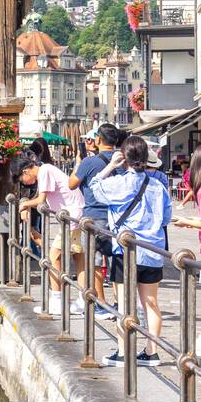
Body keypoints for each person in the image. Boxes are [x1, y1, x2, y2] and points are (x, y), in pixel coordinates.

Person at [91, 135, 172, 367]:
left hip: (125, 251)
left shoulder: (118, 183)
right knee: (151, 302)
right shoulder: (158, 185)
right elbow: (166, 217)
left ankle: (124, 351)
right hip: (153, 250)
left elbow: (95, 187)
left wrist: (109, 166)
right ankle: (151, 352)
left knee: (125, 303)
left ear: (124, 157)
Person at [12, 149, 86, 314]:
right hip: (75, 214)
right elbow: (39, 197)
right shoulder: (46, 169)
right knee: (79, 258)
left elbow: (40, 199)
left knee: (53, 257)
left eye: (22, 180)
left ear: (25, 171)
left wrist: (23, 205)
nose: (25, 183)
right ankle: (82, 299)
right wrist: (27, 204)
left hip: (71, 217)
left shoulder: (44, 171)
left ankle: (57, 300)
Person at [69, 122, 125, 312]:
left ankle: (101, 304)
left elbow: (72, 184)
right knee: (118, 259)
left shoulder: (89, 162)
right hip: (119, 217)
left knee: (94, 259)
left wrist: (79, 161)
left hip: (94, 215)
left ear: (98, 139)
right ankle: (120, 303)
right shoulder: (124, 160)